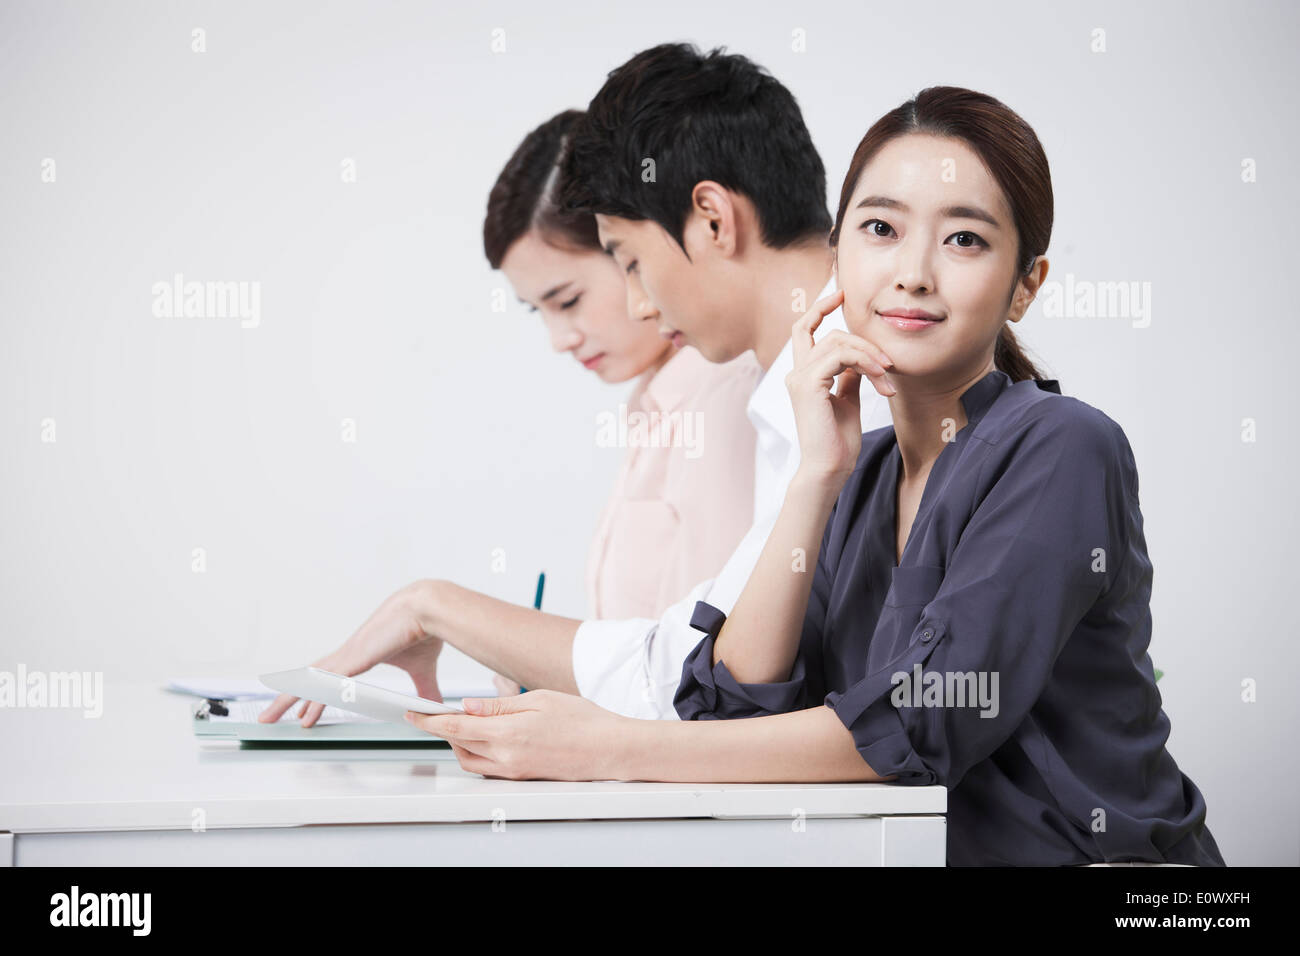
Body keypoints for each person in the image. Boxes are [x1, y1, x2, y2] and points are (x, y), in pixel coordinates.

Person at [411, 87, 1225, 868]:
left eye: (965, 240)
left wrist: (606, 748)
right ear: (838, 257)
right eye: (880, 229)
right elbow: (734, 701)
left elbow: (924, 722)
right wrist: (815, 477)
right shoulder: (858, 471)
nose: (912, 273)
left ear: (1025, 287)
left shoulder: (1061, 447)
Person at [259, 43, 892, 727]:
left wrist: (439, 609)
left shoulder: (857, 386)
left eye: (629, 262)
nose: (641, 305)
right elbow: (717, 670)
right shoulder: (798, 393)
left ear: (713, 219)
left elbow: (715, 685)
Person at [483, 110, 760, 696]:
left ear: (631, 246)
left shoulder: (723, 395)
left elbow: (715, 669)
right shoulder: (660, 401)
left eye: (569, 300)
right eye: (539, 311)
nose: (560, 339)